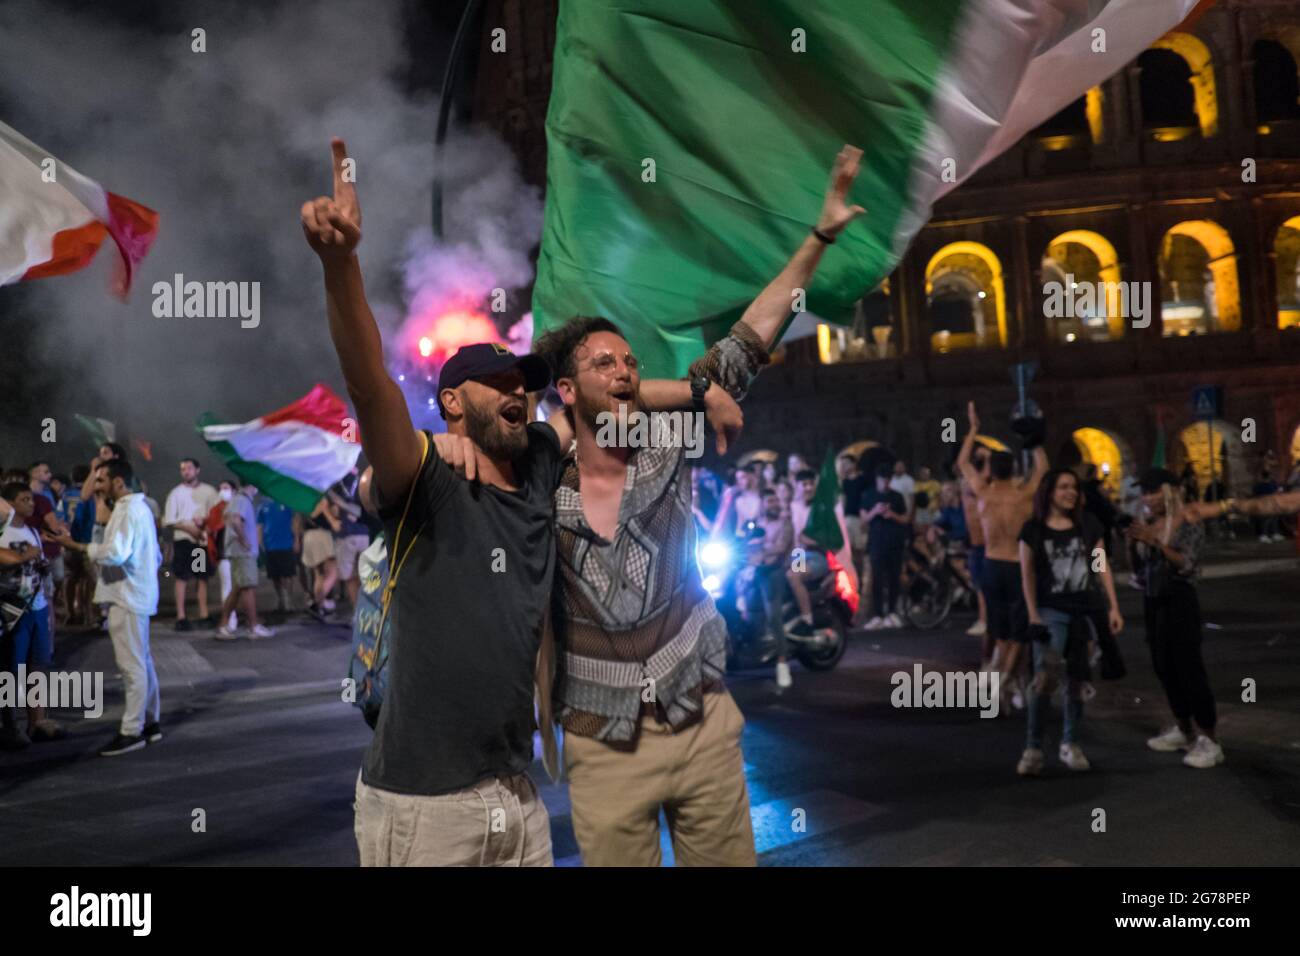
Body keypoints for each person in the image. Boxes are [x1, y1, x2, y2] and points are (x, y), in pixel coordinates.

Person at [531, 143, 866, 866]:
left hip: (702, 718)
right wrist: (673, 392)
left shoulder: (667, 444)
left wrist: (822, 234)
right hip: (601, 743)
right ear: (566, 390)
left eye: (629, 363)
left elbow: (751, 338)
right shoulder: (537, 479)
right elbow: (498, 436)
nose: (623, 370)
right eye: (602, 364)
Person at [1016, 469, 1123, 776]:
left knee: (1077, 679)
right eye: (1063, 487)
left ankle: (1070, 743)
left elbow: (1101, 566)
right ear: (1049, 492)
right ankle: (1033, 747)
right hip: (1051, 612)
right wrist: (1033, 614)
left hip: (1084, 610)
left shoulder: (1088, 525)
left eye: (1074, 487)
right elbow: (1027, 575)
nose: (1070, 492)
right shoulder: (1033, 530)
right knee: (1044, 677)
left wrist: (1113, 606)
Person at [54, 459, 163, 757]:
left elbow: (115, 553)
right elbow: (154, 557)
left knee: (132, 667)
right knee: (143, 662)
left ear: (118, 482)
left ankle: (132, 731)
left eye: (101, 481)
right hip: (134, 594)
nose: (96, 487)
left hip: (126, 597)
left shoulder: (128, 510)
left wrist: (77, 546)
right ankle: (150, 722)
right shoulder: (137, 509)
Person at [1126, 469, 1222, 769]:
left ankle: (1209, 738)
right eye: (1144, 492)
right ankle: (1183, 728)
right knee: (1163, 665)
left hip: (1180, 597)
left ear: (1171, 491)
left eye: (1153, 491)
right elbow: (1138, 571)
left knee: (1189, 666)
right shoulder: (1151, 523)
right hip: (1154, 598)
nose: (1147, 498)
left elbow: (1187, 563)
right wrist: (1133, 542)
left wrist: (1156, 544)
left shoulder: (1188, 519)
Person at [958, 401, 1048, 704]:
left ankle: (1004, 683)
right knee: (1018, 632)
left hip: (991, 565)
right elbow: (1043, 471)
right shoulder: (1024, 495)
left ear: (991, 472)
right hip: (1017, 567)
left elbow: (963, 464)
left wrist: (973, 429)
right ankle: (1007, 682)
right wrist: (1033, 441)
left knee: (999, 630)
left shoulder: (983, 494)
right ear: (1014, 470)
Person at [0, 482, 64, 748]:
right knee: (11, 669)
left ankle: (36, 720)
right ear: (10, 503)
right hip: (14, 608)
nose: (31, 503)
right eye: (24, 499)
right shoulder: (3, 533)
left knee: (38, 665)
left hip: (37, 605)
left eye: (31, 498)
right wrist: (29, 554)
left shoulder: (33, 531)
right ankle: (10, 724)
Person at [162, 458, 219, 631]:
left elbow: (216, 516)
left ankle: (203, 613)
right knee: (182, 576)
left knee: (201, 576)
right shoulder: (175, 493)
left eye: (189, 468)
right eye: (183, 469)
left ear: (197, 470)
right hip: (183, 541)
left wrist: (204, 525)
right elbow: (169, 520)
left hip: (200, 541)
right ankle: (181, 616)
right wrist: (187, 527)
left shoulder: (209, 491)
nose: (186, 471)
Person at [747, 488, 794, 690]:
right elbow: (747, 544)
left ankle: (782, 663)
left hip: (775, 572)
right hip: (758, 572)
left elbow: (782, 547)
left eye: (776, 501)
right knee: (743, 606)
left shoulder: (785, 523)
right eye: (769, 501)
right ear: (763, 504)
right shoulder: (758, 524)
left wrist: (762, 550)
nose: (773, 504)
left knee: (773, 615)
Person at [216, 481, 273, 639]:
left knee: (238, 588)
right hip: (242, 553)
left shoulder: (238, 499)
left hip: (238, 552)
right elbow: (235, 520)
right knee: (248, 587)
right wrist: (244, 541)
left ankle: (224, 625)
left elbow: (228, 518)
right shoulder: (242, 499)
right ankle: (253, 626)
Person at [858, 463, 909, 630]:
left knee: (894, 577)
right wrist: (875, 511)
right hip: (876, 543)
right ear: (877, 480)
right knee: (877, 579)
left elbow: (905, 519)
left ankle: (893, 612)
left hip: (895, 542)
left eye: (888, 480)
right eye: (882, 480)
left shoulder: (897, 497)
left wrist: (891, 514)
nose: (885, 483)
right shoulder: (868, 495)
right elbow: (863, 520)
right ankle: (878, 614)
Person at [960, 449, 991, 648]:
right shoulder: (968, 484)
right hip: (976, 543)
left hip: (987, 543)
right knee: (980, 584)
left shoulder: (987, 486)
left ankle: (984, 619)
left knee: (984, 585)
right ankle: (983, 619)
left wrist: (987, 457)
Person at [327, 469, 371, 609]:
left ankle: (357, 613)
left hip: (347, 535)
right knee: (366, 575)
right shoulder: (365, 480)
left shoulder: (336, 484)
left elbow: (335, 512)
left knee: (349, 577)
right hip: (364, 533)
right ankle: (371, 611)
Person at [257, 495, 302, 613]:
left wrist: (296, 539)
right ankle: (280, 598)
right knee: (275, 575)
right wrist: (259, 542)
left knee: (288, 574)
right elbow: (260, 525)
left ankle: (288, 600)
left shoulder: (287, 502)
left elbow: (295, 520)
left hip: (286, 543)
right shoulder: (263, 505)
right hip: (270, 545)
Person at [712, 463, 762, 538]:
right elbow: (724, 516)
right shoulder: (736, 498)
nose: (740, 482)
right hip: (739, 538)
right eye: (738, 479)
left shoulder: (761, 497)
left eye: (743, 477)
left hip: (758, 537)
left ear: (751, 476)